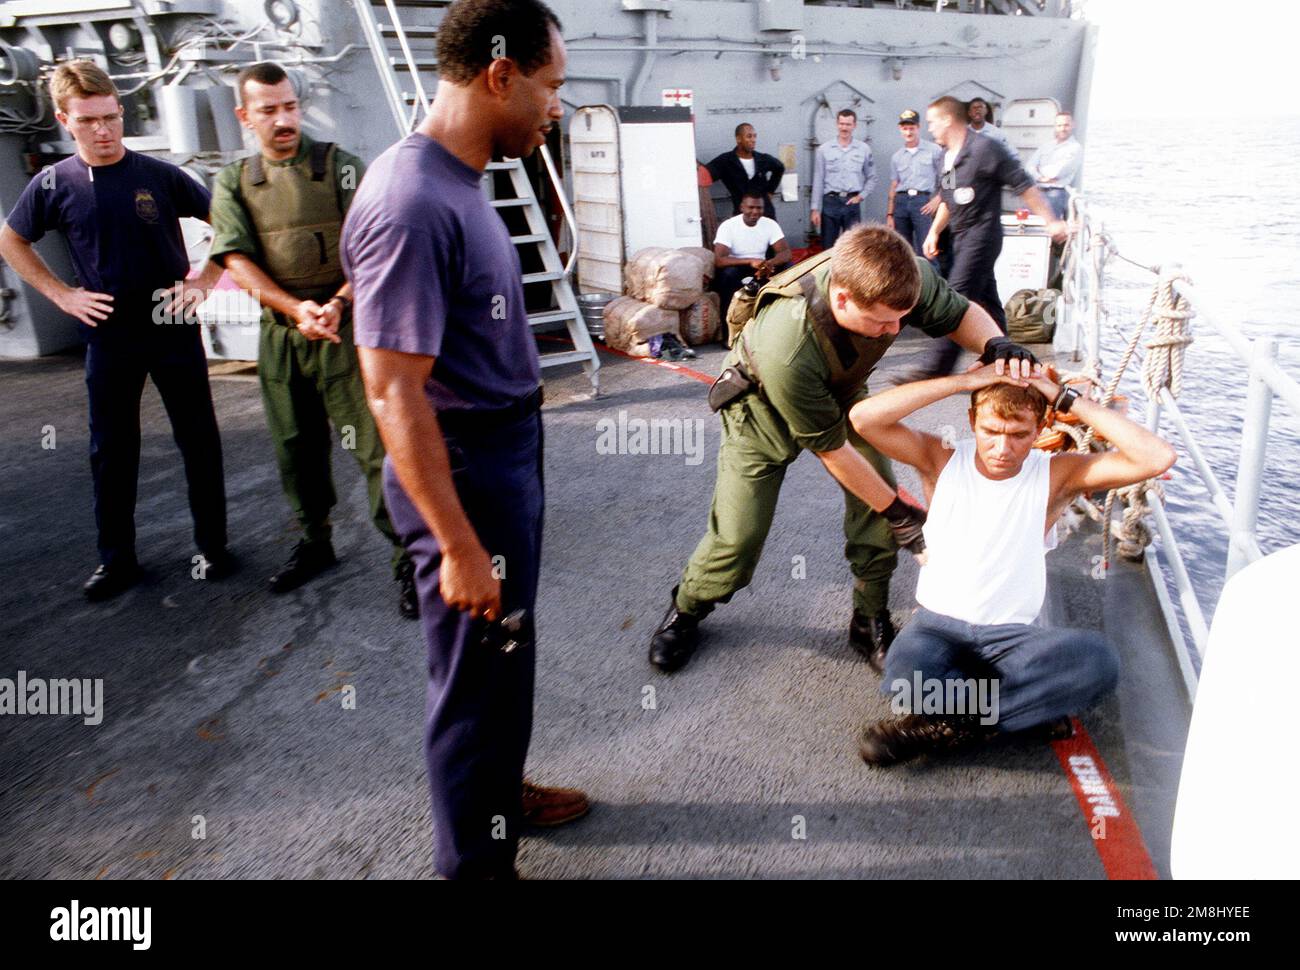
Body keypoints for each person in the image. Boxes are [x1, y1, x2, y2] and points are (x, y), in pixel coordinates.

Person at [342, 0, 588, 880]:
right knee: (470, 681)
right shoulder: (412, 199)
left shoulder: (455, 178)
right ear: (499, 74)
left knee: (504, 650)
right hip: (468, 466)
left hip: (506, 451)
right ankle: (473, 869)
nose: (554, 106)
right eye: (549, 87)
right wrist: (456, 544)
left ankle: (500, 793)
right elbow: (390, 390)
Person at [648, 224, 1042, 676]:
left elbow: (958, 314)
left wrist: (995, 345)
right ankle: (688, 607)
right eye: (881, 322)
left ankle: (868, 617)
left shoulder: (902, 275)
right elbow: (832, 451)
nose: (894, 331)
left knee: (876, 512)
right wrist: (901, 514)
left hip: (842, 389)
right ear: (841, 299)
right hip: (761, 408)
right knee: (739, 537)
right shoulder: (788, 343)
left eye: (902, 318)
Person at [848, 365, 1177, 765]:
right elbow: (863, 418)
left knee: (1097, 662)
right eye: (991, 431)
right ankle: (1015, 714)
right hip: (937, 626)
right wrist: (963, 381)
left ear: (1039, 428)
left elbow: (1157, 456)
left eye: (1019, 434)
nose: (1003, 448)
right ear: (972, 421)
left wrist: (1063, 397)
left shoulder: (1058, 474)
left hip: (1012, 637)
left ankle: (950, 723)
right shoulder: (940, 459)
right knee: (903, 678)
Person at [0, 61, 231, 601]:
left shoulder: (159, 175)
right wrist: (61, 295)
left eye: (110, 117)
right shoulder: (53, 183)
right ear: (64, 120)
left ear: (120, 112)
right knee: (112, 449)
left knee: (197, 439)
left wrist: (203, 283)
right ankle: (117, 561)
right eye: (88, 121)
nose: (103, 131)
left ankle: (214, 547)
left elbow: (230, 223)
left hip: (169, 320)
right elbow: (12, 240)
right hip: (108, 330)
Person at [208, 62, 417, 617]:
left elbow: (372, 250)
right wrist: (292, 308)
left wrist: (339, 303)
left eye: (290, 106)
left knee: (375, 450)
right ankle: (316, 543)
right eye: (269, 110)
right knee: (296, 448)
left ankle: (407, 562)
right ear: (244, 116)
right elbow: (236, 258)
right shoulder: (234, 182)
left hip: (345, 332)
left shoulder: (340, 168)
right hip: (283, 335)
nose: (283, 120)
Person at [900, 96, 1068, 382]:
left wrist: (1051, 221)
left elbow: (1024, 186)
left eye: (931, 123)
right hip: (960, 236)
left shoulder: (985, 149)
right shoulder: (945, 157)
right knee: (988, 300)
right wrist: (934, 232)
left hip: (983, 234)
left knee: (956, 297)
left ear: (948, 119)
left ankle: (936, 370)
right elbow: (948, 200)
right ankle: (1004, 356)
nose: (930, 129)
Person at [711, 191, 792, 321]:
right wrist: (750, 261)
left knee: (789, 268)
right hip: (738, 267)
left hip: (761, 267)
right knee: (727, 274)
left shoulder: (770, 224)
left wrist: (771, 263)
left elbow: (786, 253)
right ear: (742, 207)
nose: (755, 212)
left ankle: (784, 318)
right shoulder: (728, 226)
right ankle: (728, 329)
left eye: (759, 208)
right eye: (751, 207)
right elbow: (719, 260)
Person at [810, 109, 877, 249]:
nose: (844, 128)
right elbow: (818, 180)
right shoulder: (824, 149)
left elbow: (872, 177)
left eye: (848, 124)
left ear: (854, 125)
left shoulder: (863, 149)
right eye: (841, 124)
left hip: (851, 203)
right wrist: (815, 209)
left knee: (853, 247)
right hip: (830, 203)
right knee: (827, 248)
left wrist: (861, 196)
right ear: (837, 124)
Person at [886, 109, 943, 267]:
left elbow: (950, 173)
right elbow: (894, 185)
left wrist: (939, 198)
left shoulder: (934, 150)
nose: (908, 131)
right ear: (900, 129)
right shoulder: (897, 156)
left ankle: (934, 289)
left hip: (923, 203)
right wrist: (890, 214)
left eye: (912, 127)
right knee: (903, 251)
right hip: (901, 204)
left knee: (928, 249)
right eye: (905, 128)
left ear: (918, 127)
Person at [705, 122, 785, 220]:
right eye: (749, 136)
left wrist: (770, 191)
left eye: (754, 136)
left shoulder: (763, 159)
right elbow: (705, 174)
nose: (753, 140)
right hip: (741, 216)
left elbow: (780, 168)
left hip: (766, 214)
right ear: (738, 139)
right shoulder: (726, 161)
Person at [1027, 111, 1083, 221]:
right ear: (1055, 127)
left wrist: (1039, 169)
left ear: (1073, 125)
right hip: (1036, 192)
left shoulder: (1075, 148)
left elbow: (1057, 172)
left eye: (1066, 125)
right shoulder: (1046, 146)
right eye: (1059, 125)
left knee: (1050, 231)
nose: (1062, 128)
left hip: (1056, 194)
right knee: (1029, 227)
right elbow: (1029, 167)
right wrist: (1041, 177)